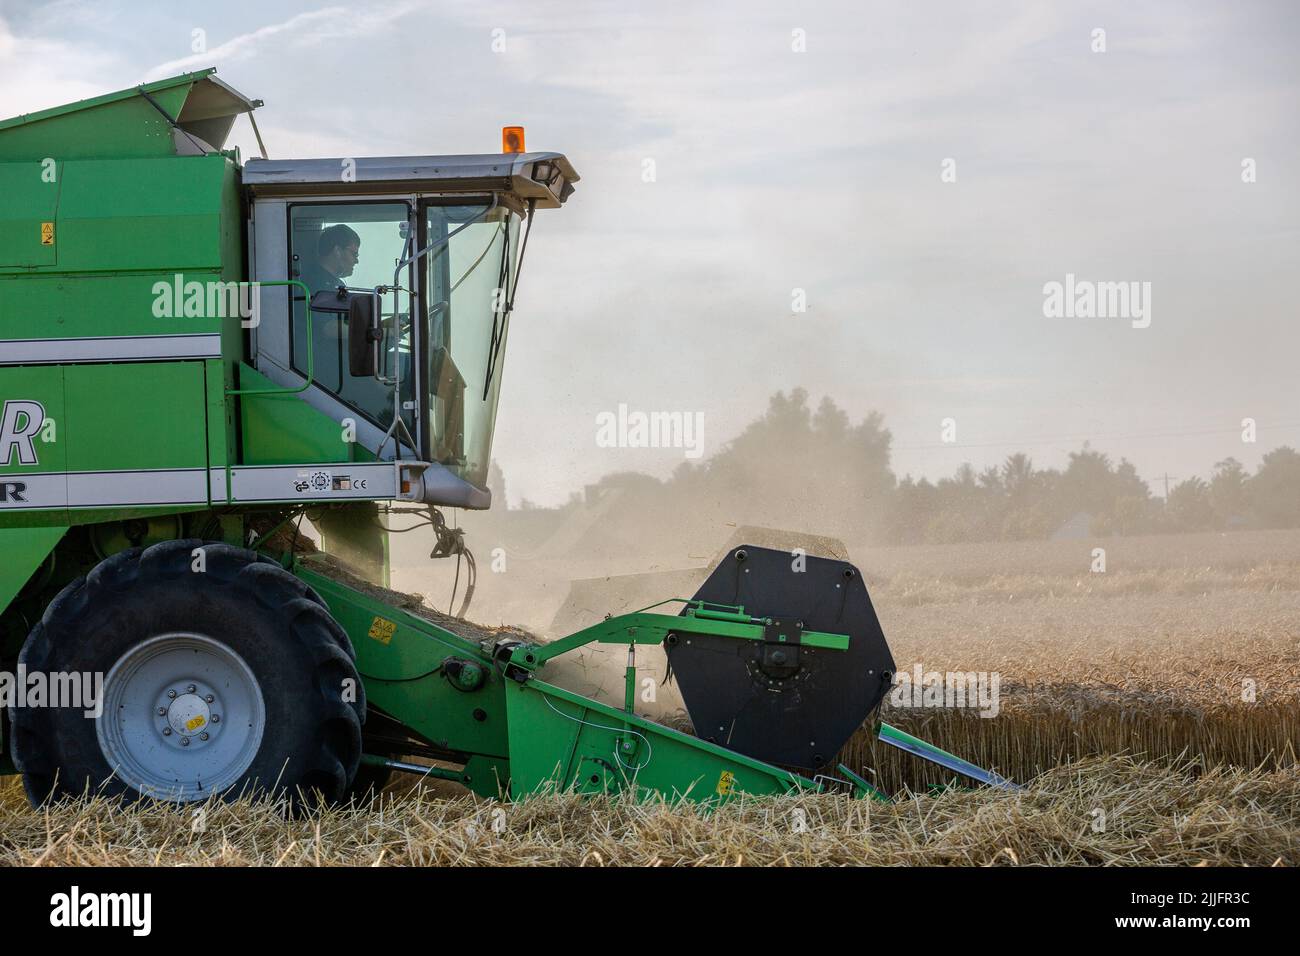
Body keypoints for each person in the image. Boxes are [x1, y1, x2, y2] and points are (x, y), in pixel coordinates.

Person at [301, 223, 360, 295]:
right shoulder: (315, 284)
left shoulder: (338, 284)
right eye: (354, 254)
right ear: (337, 251)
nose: (356, 261)